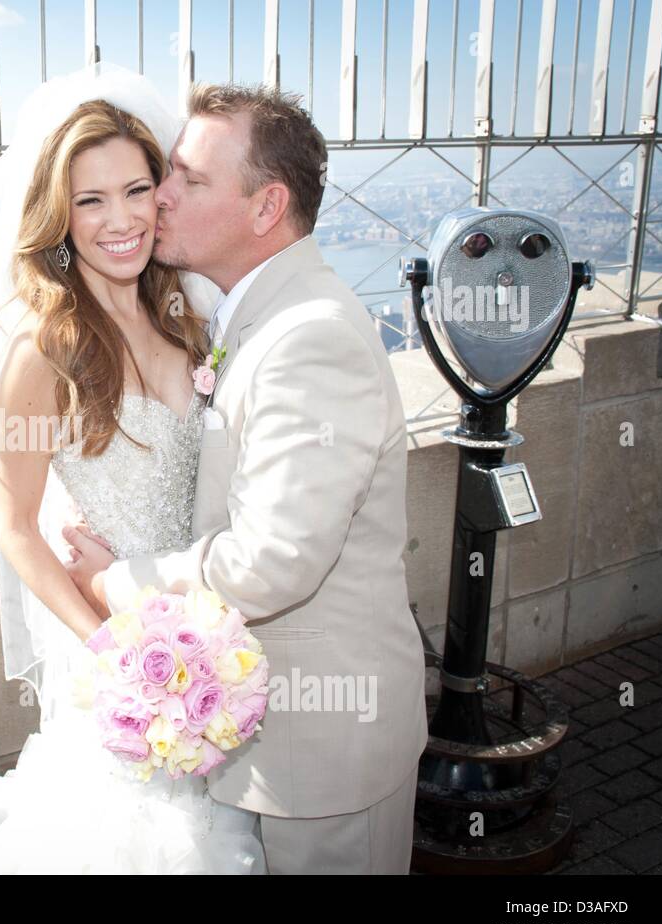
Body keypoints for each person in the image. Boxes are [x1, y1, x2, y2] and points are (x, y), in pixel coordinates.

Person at [63, 83, 429, 874]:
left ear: (266, 207)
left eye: (188, 180)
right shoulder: (259, 318)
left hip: (322, 767)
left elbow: (271, 562)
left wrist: (119, 585)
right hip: (269, 748)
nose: (159, 197)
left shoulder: (310, 339)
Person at [0, 64, 266, 874]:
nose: (119, 220)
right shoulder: (44, 350)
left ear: (162, 193)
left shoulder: (186, 314)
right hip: (117, 665)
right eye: (90, 200)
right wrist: (111, 646)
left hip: (206, 640)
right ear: (61, 217)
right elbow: (12, 524)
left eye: (134, 190)